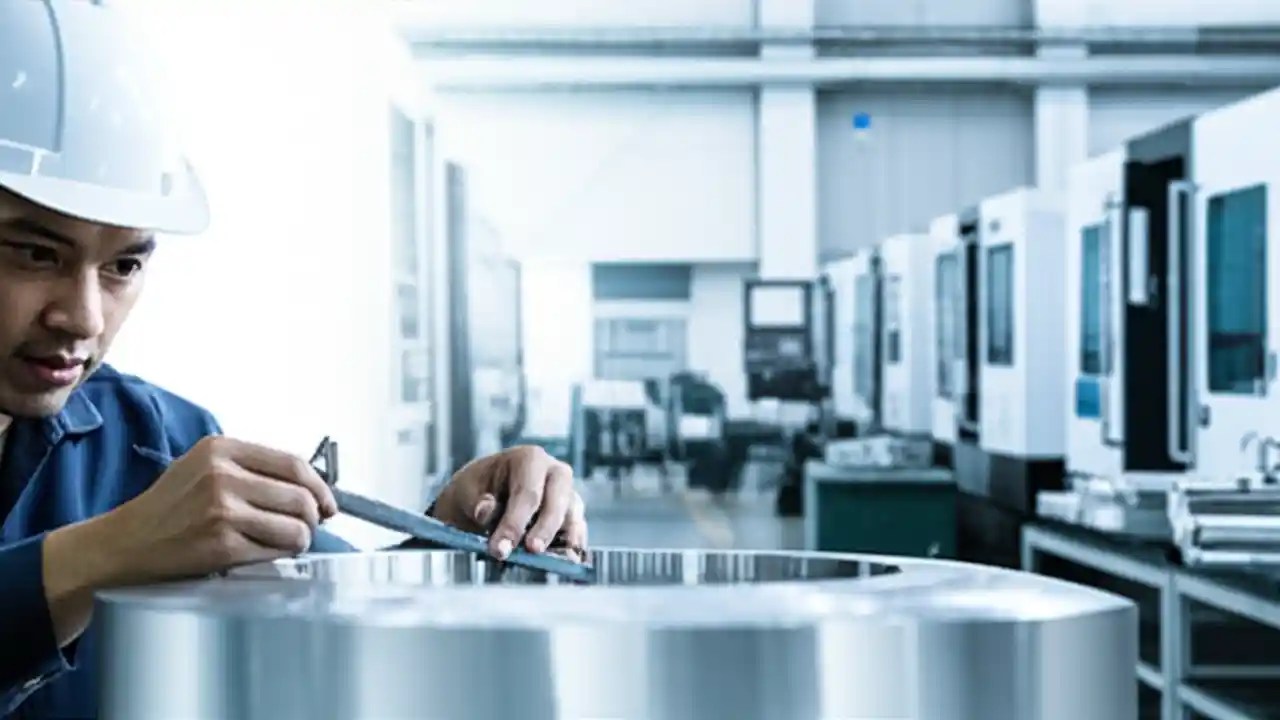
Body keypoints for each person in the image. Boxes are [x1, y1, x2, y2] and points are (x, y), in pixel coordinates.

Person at [0, 2, 587, 718]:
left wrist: (453, 540)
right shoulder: (150, 493)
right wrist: (99, 557)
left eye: (123, 265)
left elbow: (339, 620)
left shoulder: (154, 443)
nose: (85, 317)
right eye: (35, 253)